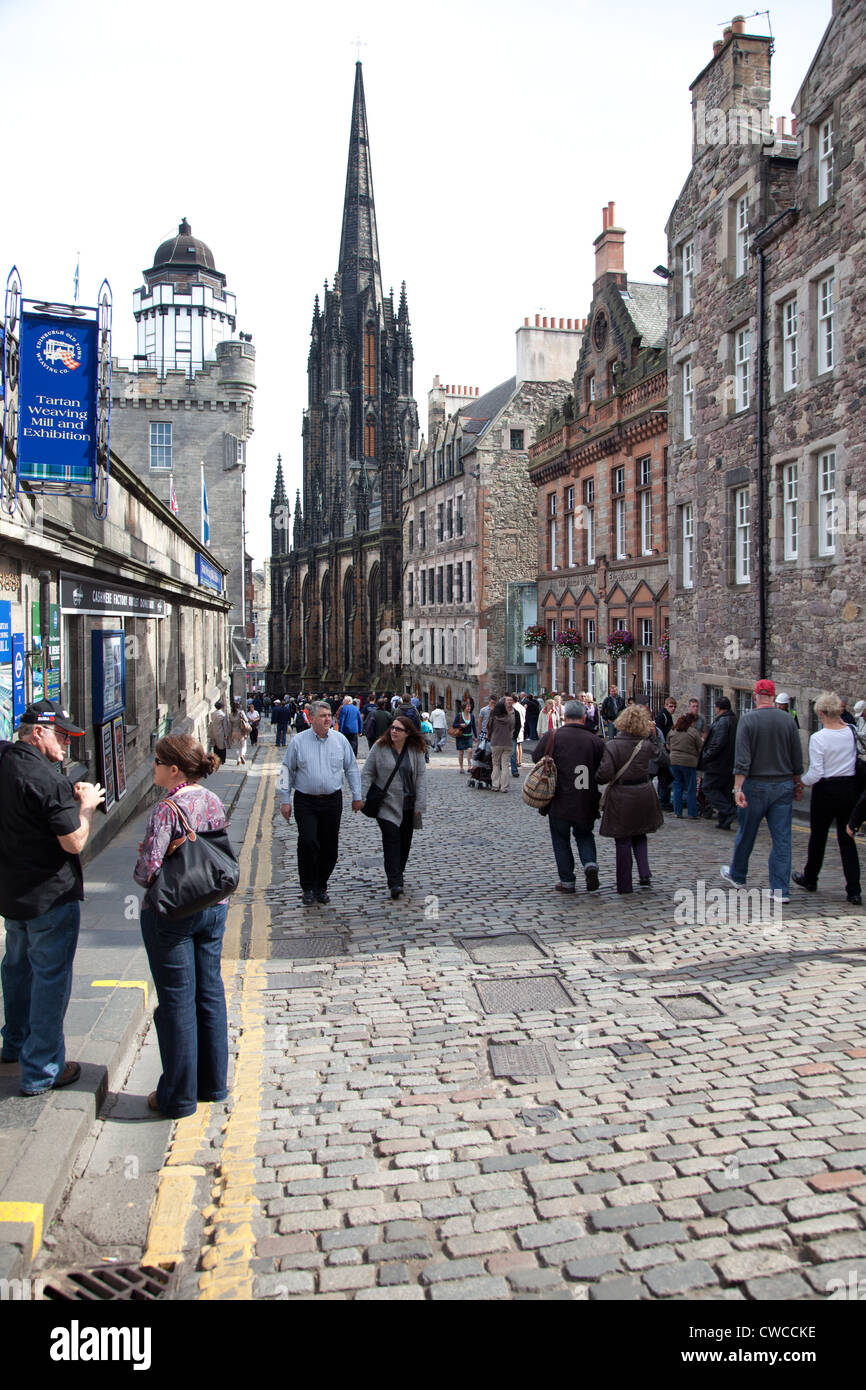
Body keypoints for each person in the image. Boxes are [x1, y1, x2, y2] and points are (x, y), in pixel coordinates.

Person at [0, 701, 104, 1096]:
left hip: (12, 893)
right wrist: (87, 807)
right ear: (38, 733)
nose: (66, 744)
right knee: (50, 978)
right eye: (60, 735)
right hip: (50, 897)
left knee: (17, 968)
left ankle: (14, 1043)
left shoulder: (6, 759)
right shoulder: (49, 781)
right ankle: (42, 1069)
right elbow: (74, 841)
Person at [133, 735, 230, 1118]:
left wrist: (143, 857)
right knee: (209, 994)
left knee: (176, 1001)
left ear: (174, 769)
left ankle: (178, 1097)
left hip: (173, 914)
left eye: (156, 761)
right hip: (213, 906)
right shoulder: (212, 800)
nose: (152, 766)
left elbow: (148, 872)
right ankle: (214, 1084)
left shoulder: (167, 809)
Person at [721, 678, 804, 900]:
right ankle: (780, 890)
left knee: (747, 832)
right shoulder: (787, 720)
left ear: (756, 696)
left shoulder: (748, 721)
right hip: (783, 784)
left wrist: (737, 788)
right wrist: (797, 783)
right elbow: (797, 756)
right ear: (773, 696)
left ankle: (738, 875)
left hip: (755, 784)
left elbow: (742, 759)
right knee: (782, 838)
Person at [279, 701, 363, 905]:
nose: (328, 719)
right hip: (305, 800)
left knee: (329, 846)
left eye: (329, 716)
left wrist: (357, 795)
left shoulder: (340, 740)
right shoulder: (298, 741)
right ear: (313, 718)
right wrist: (284, 800)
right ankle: (307, 887)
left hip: (332, 801)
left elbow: (351, 768)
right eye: (323, 716)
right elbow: (285, 770)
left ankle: (321, 885)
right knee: (308, 842)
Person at [792, 691, 861, 905]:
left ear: (821, 713)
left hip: (825, 790)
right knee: (847, 839)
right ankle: (854, 889)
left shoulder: (818, 738)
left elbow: (816, 773)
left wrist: (801, 782)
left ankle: (811, 877)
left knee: (819, 836)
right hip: (848, 788)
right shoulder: (851, 731)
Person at [533, 700, 604, 893]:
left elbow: (535, 758)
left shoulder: (553, 736)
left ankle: (567, 881)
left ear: (564, 717)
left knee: (560, 839)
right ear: (584, 717)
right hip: (586, 799)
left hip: (559, 799)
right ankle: (590, 863)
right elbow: (602, 769)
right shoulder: (595, 740)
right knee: (584, 834)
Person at [597, 705, 664, 893]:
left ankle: (624, 883)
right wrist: (653, 737)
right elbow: (663, 759)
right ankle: (644, 874)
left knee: (623, 839)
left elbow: (604, 774)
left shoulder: (613, 745)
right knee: (640, 835)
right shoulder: (647, 745)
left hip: (622, 795)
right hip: (644, 792)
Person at [361, 715, 428, 899]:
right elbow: (367, 772)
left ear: (407, 733)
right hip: (386, 804)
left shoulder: (415, 750)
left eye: (398, 729)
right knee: (391, 840)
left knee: (404, 843)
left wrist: (419, 803)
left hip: (408, 804)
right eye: (392, 727)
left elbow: (421, 778)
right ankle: (395, 882)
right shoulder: (379, 747)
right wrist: (361, 797)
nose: (393, 731)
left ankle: (398, 872)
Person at [698, 697, 737, 829]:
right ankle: (724, 821)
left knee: (708, 787)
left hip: (718, 764)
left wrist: (706, 757)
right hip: (729, 764)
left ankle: (727, 810)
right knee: (724, 791)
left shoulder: (723, 722)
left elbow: (717, 744)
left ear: (718, 708)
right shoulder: (734, 720)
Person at [668, 712, 703, 818]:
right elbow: (700, 747)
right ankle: (692, 813)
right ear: (692, 722)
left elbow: (667, 745)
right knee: (690, 788)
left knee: (677, 786)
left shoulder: (673, 730)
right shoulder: (693, 732)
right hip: (689, 762)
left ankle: (677, 812)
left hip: (674, 761)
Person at [489, 698, 518, 792]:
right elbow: (511, 728)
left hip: (496, 743)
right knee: (505, 765)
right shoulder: (509, 718)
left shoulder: (493, 718)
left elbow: (489, 728)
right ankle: (504, 787)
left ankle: (495, 785)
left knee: (496, 764)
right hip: (507, 743)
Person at [654, 697, 677, 809]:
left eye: (674, 707)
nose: (672, 709)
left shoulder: (667, 716)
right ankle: (663, 800)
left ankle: (663, 799)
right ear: (665, 705)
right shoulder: (662, 716)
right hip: (663, 749)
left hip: (666, 748)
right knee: (664, 776)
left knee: (665, 776)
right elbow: (660, 733)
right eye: (670, 706)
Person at [451, 697, 477, 773]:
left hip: (469, 736)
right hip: (460, 736)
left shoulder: (471, 716)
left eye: (470, 706)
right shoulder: (459, 715)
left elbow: (474, 727)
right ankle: (461, 768)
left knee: (470, 751)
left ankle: (469, 766)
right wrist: (460, 725)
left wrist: (475, 736)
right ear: (464, 708)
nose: (469, 708)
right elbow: (454, 725)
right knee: (461, 752)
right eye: (468, 707)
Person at [228, 699, 251, 765]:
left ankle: (238, 760)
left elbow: (230, 725)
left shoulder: (231, 715)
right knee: (244, 745)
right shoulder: (241, 712)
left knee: (236, 747)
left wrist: (229, 734)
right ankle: (242, 755)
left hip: (234, 732)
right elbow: (246, 720)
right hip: (241, 732)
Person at [207, 698, 230, 765]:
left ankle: (215, 760)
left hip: (214, 732)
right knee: (222, 747)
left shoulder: (212, 714)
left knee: (215, 746)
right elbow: (225, 726)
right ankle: (222, 760)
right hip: (221, 732)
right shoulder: (222, 715)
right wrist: (226, 734)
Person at [512, 694, 527, 773]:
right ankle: (520, 760)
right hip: (522, 726)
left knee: (516, 745)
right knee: (520, 744)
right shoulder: (522, 706)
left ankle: (517, 761)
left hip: (517, 727)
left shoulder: (514, 707)